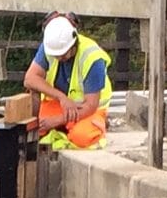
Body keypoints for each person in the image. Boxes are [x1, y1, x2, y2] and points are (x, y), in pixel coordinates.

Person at [22, 13, 112, 150]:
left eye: (63, 54)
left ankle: (97, 124)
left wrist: (58, 120)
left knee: (81, 137)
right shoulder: (50, 47)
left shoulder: (92, 58)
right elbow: (30, 79)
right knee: (36, 127)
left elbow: (91, 105)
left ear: (73, 43)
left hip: (87, 110)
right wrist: (62, 97)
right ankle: (64, 128)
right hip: (60, 105)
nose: (59, 58)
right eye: (56, 55)